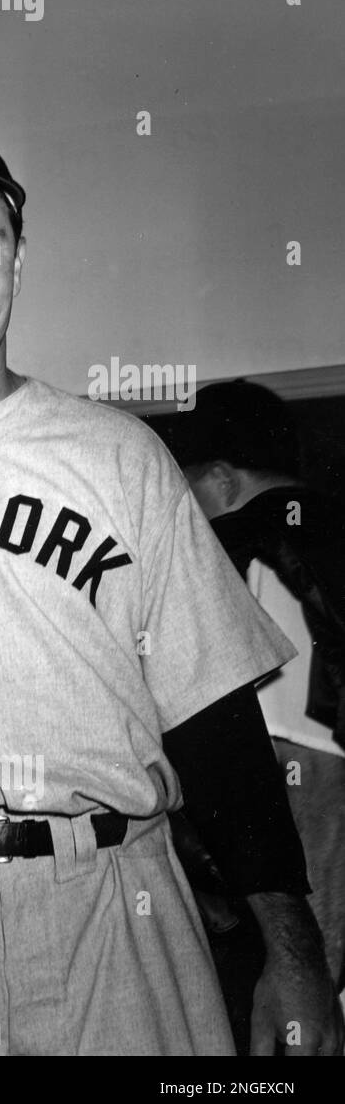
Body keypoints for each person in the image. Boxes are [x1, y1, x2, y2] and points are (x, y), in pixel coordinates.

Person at [0, 125, 344, 1055]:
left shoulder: (119, 455)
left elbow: (215, 724)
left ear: (17, 261)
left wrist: (295, 950)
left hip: (117, 898)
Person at [171, 380, 345, 999]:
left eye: (185, 488)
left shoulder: (243, 550)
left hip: (292, 794)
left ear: (220, 477)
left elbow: (301, 772)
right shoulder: (325, 533)